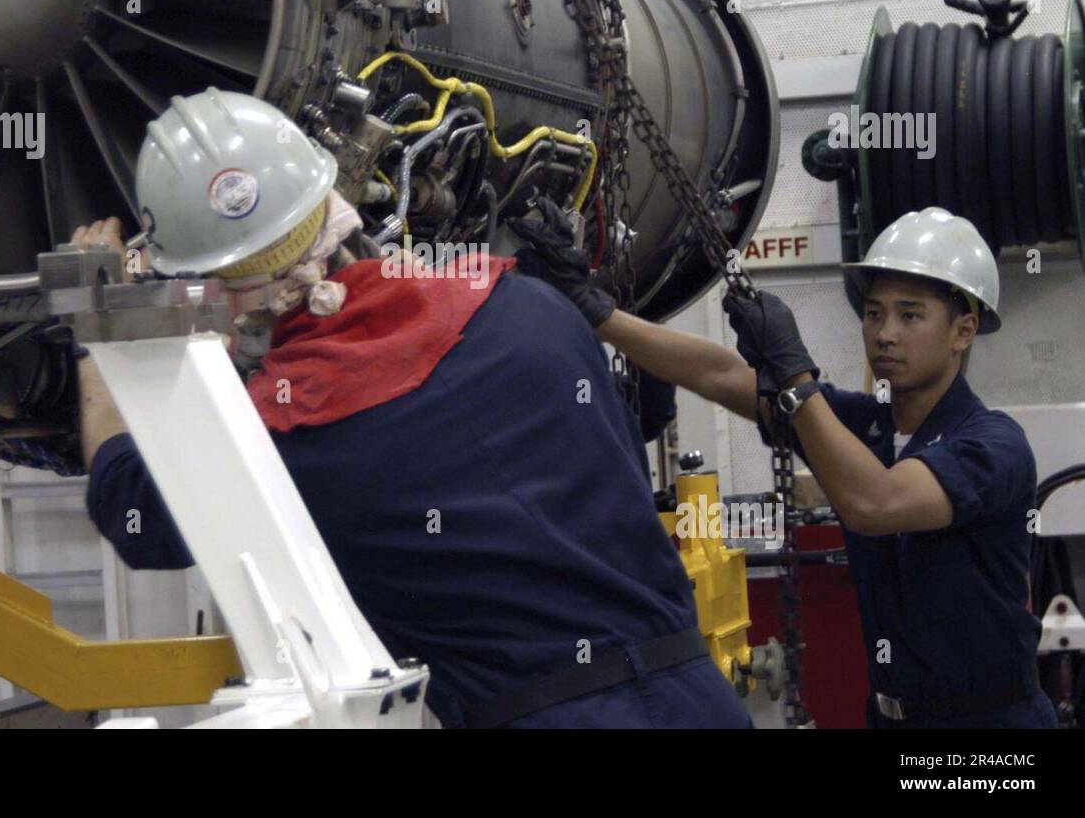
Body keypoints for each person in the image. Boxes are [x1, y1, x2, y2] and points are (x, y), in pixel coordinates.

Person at [72, 88, 751, 729]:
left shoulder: (294, 433)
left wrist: (92, 331)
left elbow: (129, 506)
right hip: (700, 699)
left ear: (218, 291)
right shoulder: (533, 307)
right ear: (331, 204)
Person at [527, 200, 1056, 729]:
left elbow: (875, 503)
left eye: (909, 314)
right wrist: (595, 310)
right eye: (874, 313)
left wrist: (794, 375)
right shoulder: (863, 425)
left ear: (963, 331)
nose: (884, 333)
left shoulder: (992, 445)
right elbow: (719, 376)